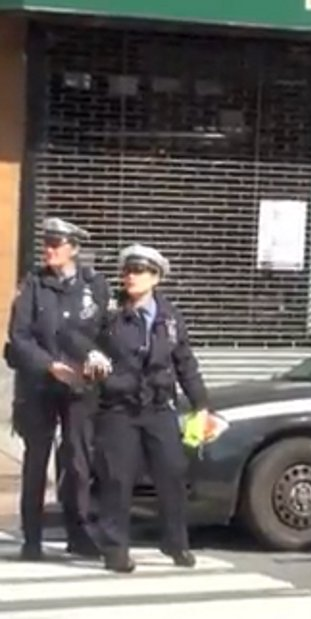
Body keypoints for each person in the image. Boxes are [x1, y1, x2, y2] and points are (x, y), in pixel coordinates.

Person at [89, 243, 209, 573]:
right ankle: (115, 550)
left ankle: (175, 542)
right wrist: (91, 355)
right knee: (117, 479)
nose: (130, 276)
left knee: (172, 472)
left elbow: (185, 362)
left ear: (156, 278)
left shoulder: (169, 317)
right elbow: (77, 338)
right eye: (127, 270)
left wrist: (201, 404)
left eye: (139, 271)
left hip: (158, 406)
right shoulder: (108, 311)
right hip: (119, 407)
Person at [4, 217, 110, 561]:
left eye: (56, 244)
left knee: (78, 461)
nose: (48, 250)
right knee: (37, 461)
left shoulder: (94, 286)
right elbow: (19, 337)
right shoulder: (33, 285)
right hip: (39, 385)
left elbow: (105, 333)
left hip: (79, 387)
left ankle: (79, 533)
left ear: (73, 249)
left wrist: (96, 358)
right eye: (46, 244)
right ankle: (32, 538)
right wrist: (50, 365)